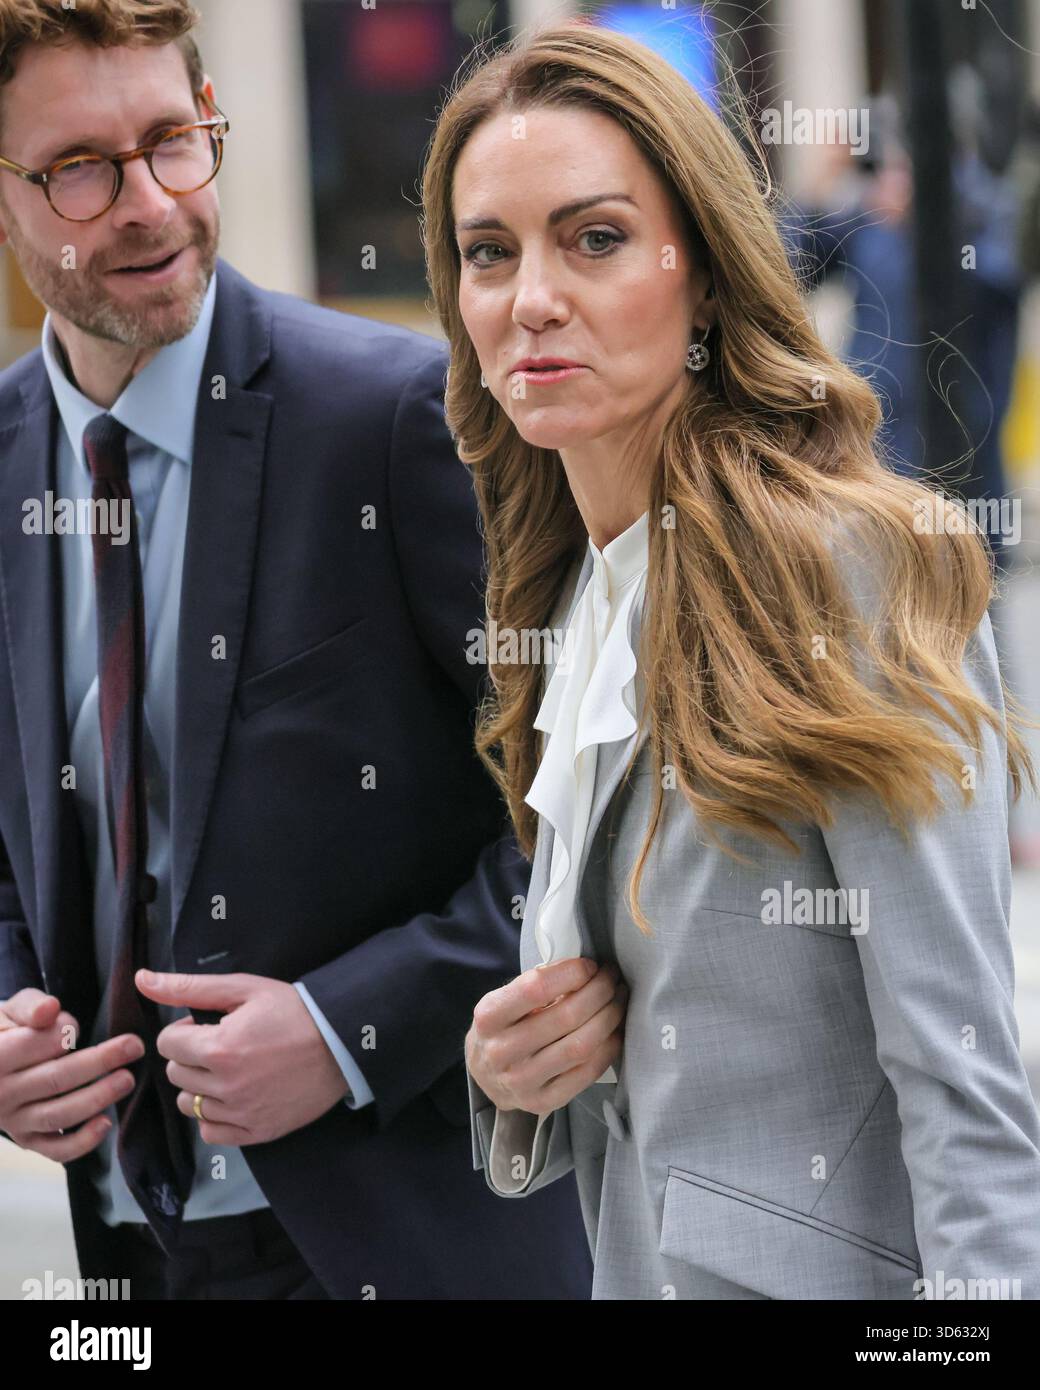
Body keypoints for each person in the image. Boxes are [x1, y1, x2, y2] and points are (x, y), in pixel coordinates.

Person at [419, 23, 1040, 1299]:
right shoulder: (573, 591)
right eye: (488, 252)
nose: (529, 295)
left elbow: (963, 1078)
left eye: (591, 239)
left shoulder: (847, 566)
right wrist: (517, 1076)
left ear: (699, 272)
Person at [0, 0, 593, 1300]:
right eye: (82, 169)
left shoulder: (397, 418)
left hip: (413, 1233)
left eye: (174, 140)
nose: (151, 202)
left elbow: (583, 822)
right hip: (132, 1249)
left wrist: (347, 1027)